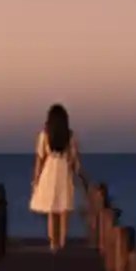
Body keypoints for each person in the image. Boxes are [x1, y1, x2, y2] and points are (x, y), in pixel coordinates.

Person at [29, 103, 85, 252]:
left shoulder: (45, 135)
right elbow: (74, 159)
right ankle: (62, 242)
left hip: (49, 170)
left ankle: (53, 244)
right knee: (64, 209)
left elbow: (40, 159)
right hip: (63, 170)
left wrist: (36, 179)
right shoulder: (70, 136)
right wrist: (80, 175)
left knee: (52, 210)